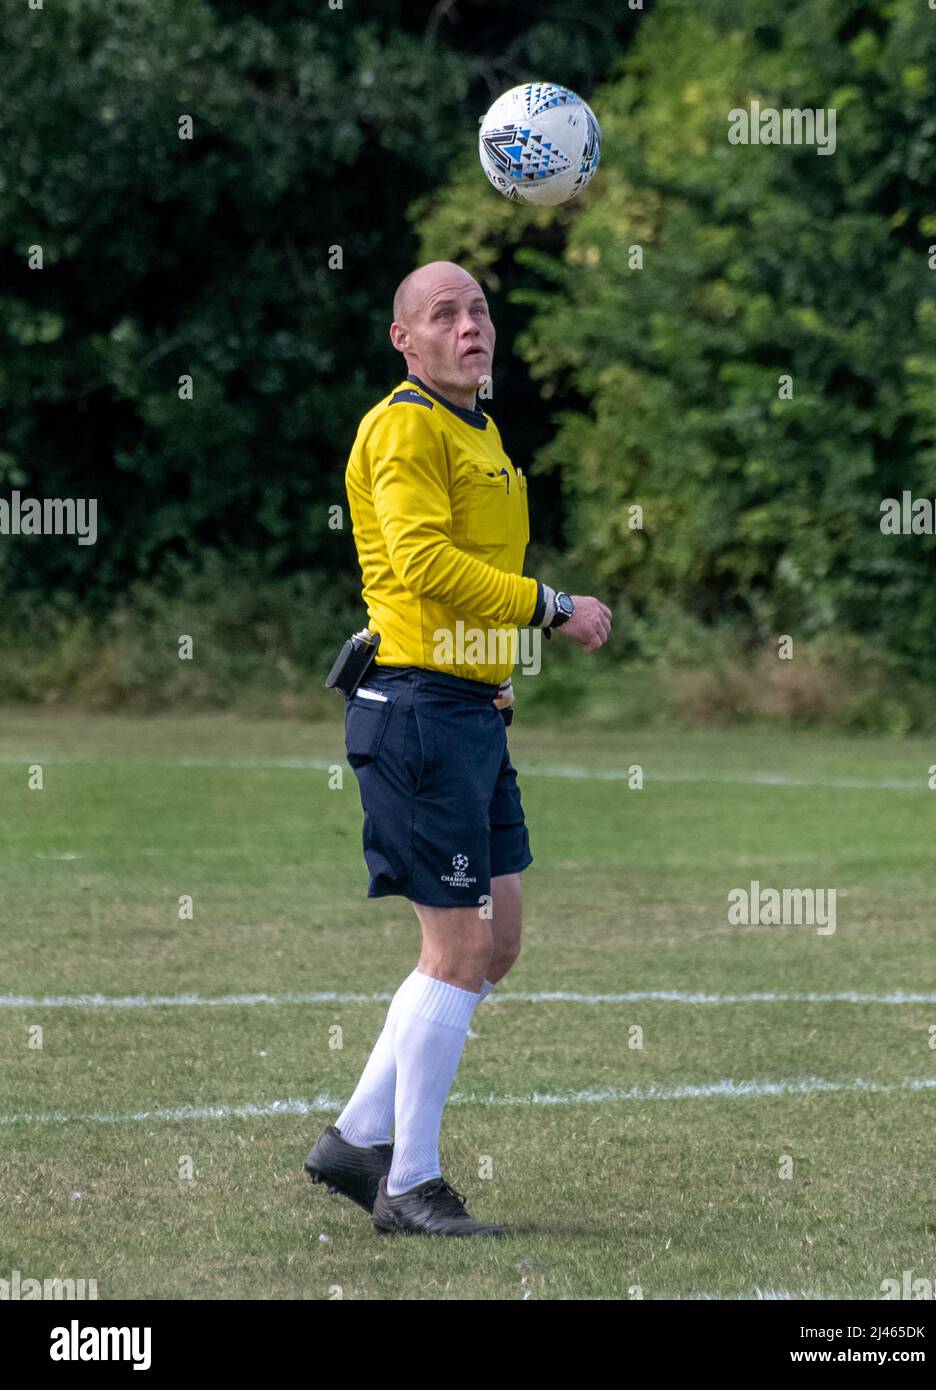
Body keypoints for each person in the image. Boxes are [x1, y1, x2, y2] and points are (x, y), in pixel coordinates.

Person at [304, 260, 612, 1236]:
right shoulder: (403, 424)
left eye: (479, 309)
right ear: (405, 338)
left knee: (498, 940)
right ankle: (409, 1182)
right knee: (458, 945)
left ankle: (356, 1139)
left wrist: (495, 665)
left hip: (469, 706)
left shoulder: (479, 427)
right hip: (416, 713)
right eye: (444, 313)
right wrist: (552, 607)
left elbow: (466, 574)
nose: (470, 324)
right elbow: (430, 563)